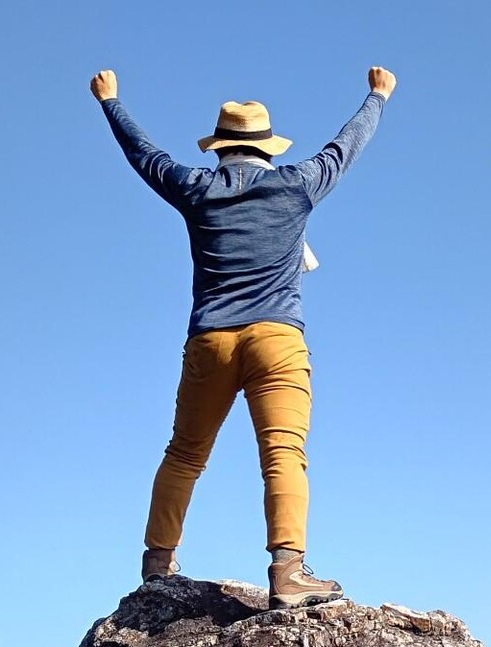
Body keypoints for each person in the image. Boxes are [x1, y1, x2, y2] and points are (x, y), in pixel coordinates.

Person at [90, 66, 395, 608]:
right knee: (283, 453)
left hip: (210, 339)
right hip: (276, 339)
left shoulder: (196, 190)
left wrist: (111, 103)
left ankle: (159, 563)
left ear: (219, 148)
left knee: (184, 453)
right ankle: (289, 573)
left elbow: (145, 156)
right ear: (268, 149)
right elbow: (346, 146)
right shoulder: (297, 185)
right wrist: (377, 96)